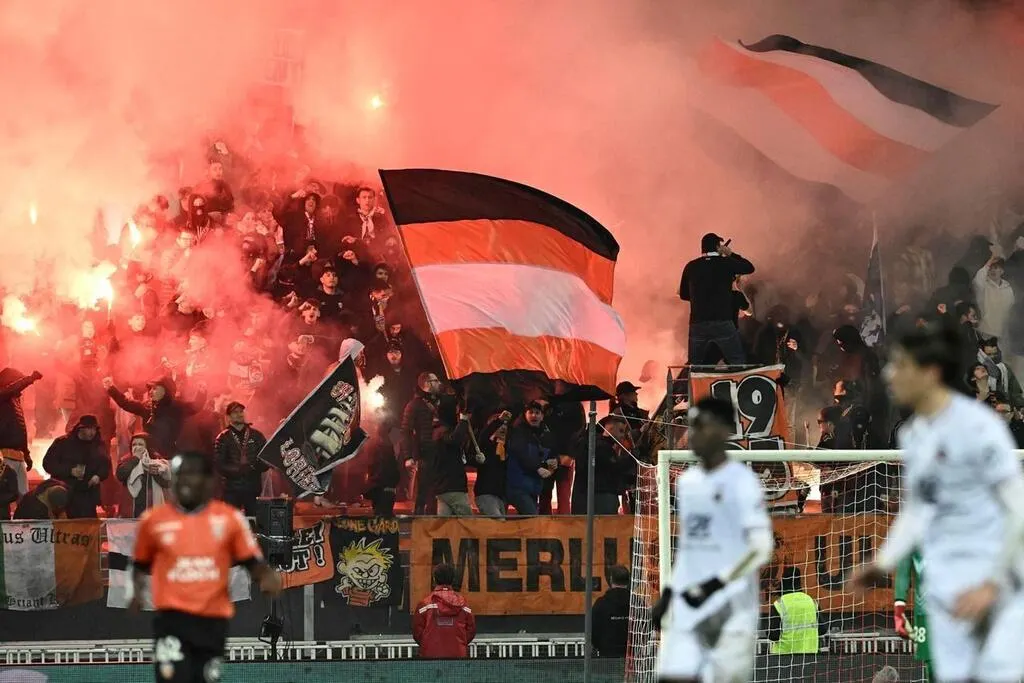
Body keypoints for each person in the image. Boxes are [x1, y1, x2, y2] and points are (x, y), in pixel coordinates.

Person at [848, 318, 1024, 683]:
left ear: (929, 373)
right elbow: (918, 508)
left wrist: (992, 584)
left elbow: (1017, 510)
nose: (889, 375)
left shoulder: (979, 428)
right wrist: (883, 562)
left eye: (900, 366)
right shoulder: (913, 434)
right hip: (946, 592)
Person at [650, 397, 773, 683]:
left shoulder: (742, 482)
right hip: (691, 606)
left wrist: (714, 584)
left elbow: (761, 547)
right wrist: (668, 593)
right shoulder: (687, 483)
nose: (693, 434)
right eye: (691, 426)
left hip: (731, 610)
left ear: (724, 430)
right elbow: (689, 548)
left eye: (701, 426)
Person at [131, 451, 282, 683]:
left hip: (210, 623)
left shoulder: (229, 519)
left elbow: (250, 559)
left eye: (195, 476)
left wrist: (265, 575)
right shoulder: (154, 521)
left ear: (208, 482)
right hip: (171, 621)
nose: (188, 482)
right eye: (182, 476)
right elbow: (140, 564)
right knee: (171, 679)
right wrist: (136, 592)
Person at [679, 233, 755, 366]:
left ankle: (692, 386)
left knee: (695, 365)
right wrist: (730, 254)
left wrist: (700, 298)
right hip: (722, 322)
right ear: (718, 247)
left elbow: (684, 295)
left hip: (698, 323)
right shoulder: (726, 263)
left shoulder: (691, 266)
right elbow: (749, 267)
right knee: (737, 361)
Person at [42, 415, 111, 519]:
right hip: (65, 495)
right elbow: (48, 464)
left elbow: (106, 464)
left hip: (88, 495)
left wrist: (99, 476)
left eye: (94, 429)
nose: (92, 432)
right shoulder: (62, 443)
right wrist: (69, 470)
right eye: (89, 429)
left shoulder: (98, 444)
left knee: (87, 529)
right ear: (81, 428)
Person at [213, 402, 268, 515]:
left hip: (253, 486)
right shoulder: (223, 437)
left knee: (254, 523)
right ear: (228, 417)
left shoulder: (256, 435)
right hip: (232, 488)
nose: (239, 414)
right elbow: (219, 464)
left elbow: (267, 458)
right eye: (235, 412)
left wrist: (255, 467)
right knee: (232, 524)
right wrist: (238, 470)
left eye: (241, 411)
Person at [412, 563, 476, 659]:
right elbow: (471, 630)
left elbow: (417, 632)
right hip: (459, 657)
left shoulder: (425, 605)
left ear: (434, 579)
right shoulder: (463, 605)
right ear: (453, 579)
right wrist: (460, 643)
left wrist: (428, 644)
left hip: (430, 657)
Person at [400, 372, 442, 515]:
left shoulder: (441, 402)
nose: (439, 383)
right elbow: (405, 431)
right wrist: (407, 456)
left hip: (441, 453)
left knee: (438, 492)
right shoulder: (414, 405)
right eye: (435, 381)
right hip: (425, 454)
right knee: (424, 491)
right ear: (427, 384)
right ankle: (420, 522)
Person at [505, 401, 556, 516]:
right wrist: (537, 468)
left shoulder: (545, 434)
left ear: (542, 416)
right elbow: (521, 454)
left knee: (527, 523)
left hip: (534, 487)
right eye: (531, 412)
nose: (534, 415)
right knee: (532, 517)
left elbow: (550, 452)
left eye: (537, 413)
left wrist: (554, 460)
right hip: (517, 486)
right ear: (525, 415)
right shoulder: (518, 432)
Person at [0, 367, 44, 495]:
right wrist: (29, 379)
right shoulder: (2, 397)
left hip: (17, 457)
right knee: (5, 494)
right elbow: (12, 389)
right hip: (4, 456)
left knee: (23, 494)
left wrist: (26, 454)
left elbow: (21, 431)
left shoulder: (14, 401)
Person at [894, 550, 933, 683]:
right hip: (925, 614)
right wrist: (899, 611)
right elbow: (903, 569)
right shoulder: (915, 534)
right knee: (932, 666)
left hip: (960, 609)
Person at [115, 432, 171, 517]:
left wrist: (156, 473)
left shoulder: (157, 461)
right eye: (134, 445)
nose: (137, 447)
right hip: (131, 508)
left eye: (140, 444)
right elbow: (120, 475)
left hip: (152, 506)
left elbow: (167, 483)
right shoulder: (126, 460)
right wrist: (136, 458)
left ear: (147, 447)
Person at [767, 567, 818, 655]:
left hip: (783, 656)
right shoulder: (811, 601)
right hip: (810, 654)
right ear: (799, 581)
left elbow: (774, 636)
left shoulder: (780, 603)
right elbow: (823, 629)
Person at [592, 565, 631, 657]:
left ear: (610, 579)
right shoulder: (637, 603)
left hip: (607, 655)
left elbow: (593, 630)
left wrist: (599, 646)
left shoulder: (601, 603)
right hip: (632, 656)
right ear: (628, 580)